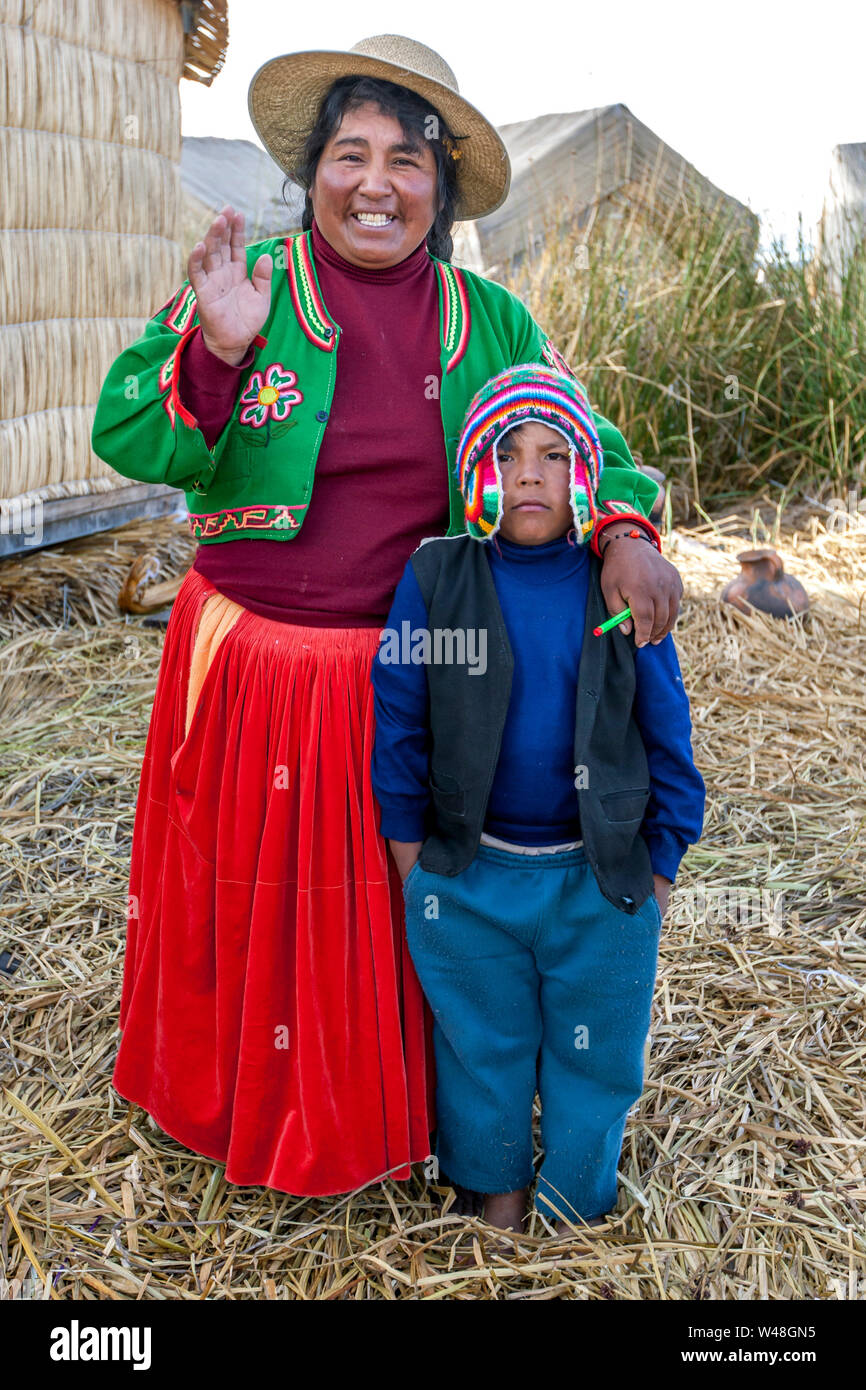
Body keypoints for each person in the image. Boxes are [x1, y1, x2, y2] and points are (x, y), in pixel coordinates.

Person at [91, 34, 683, 1199]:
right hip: (259, 664)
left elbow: (591, 446)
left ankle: (416, 1120)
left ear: (441, 189)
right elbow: (129, 435)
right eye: (348, 154)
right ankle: (254, 1109)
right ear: (311, 173)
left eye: (405, 161)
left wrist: (620, 529)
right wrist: (213, 352)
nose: (374, 183)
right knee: (263, 905)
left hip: (428, 667)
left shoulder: (490, 321)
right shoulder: (248, 286)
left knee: (413, 896)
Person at [371, 364, 705, 1230]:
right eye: (507, 453)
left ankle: (573, 1211)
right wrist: (417, 865)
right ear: (476, 471)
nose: (529, 473)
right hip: (469, 878)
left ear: (585, 478)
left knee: (593, 1061)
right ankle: (501, 1202)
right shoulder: (438, 578)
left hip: (598, 883)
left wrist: (657, 869)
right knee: (481, 1049)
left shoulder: (614, 585)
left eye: (555, 455)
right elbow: (400, 717)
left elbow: (669, 732)